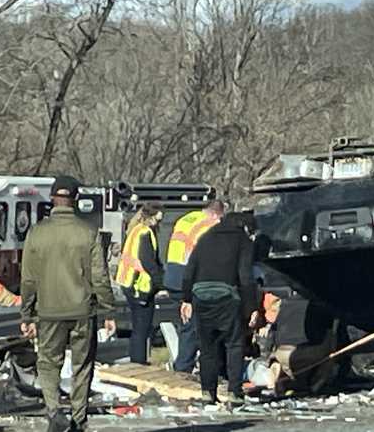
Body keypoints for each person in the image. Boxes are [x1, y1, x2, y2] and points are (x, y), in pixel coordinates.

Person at [20, 175, 117, 431]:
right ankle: (78, 418)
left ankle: (54, 412)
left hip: (49, 311)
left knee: (48, 363)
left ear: (52, 200)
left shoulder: (36, 233)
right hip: (82, 311)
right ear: (75, 200)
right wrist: (108, 309)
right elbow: (99, 275)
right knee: (82, 365)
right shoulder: (89, 233)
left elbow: (28, 278)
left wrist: (27, 314)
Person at [181, 211, 259, 404]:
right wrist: (251, 307)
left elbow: (190, 270)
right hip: (227, 297)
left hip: (201, 298)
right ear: (245, 227)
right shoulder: (242, 241)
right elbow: (245, 277)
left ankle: (208, 391)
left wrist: (187, 299)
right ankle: (234, 391)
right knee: (234, 344)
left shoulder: (205, 237)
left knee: (207, 347)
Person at [164, 200, 225, 372]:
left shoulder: (187, 218)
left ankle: (185, 365)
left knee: (188, 325)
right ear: (215, 214)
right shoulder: (208, 226)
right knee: (195, 326)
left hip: (172, 275)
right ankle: (184, 368)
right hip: (188, 277)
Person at [115, 203, 164, 364]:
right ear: (150, 218)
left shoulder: (134, 230)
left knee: (138, 328)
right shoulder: (145, 233)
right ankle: (139, 363)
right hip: (140, 286)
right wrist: (160, 283)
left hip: (129, 283)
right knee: (142, 329)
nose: (159, 224)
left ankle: (137, 360)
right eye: (158, 219)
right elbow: (148, 262)